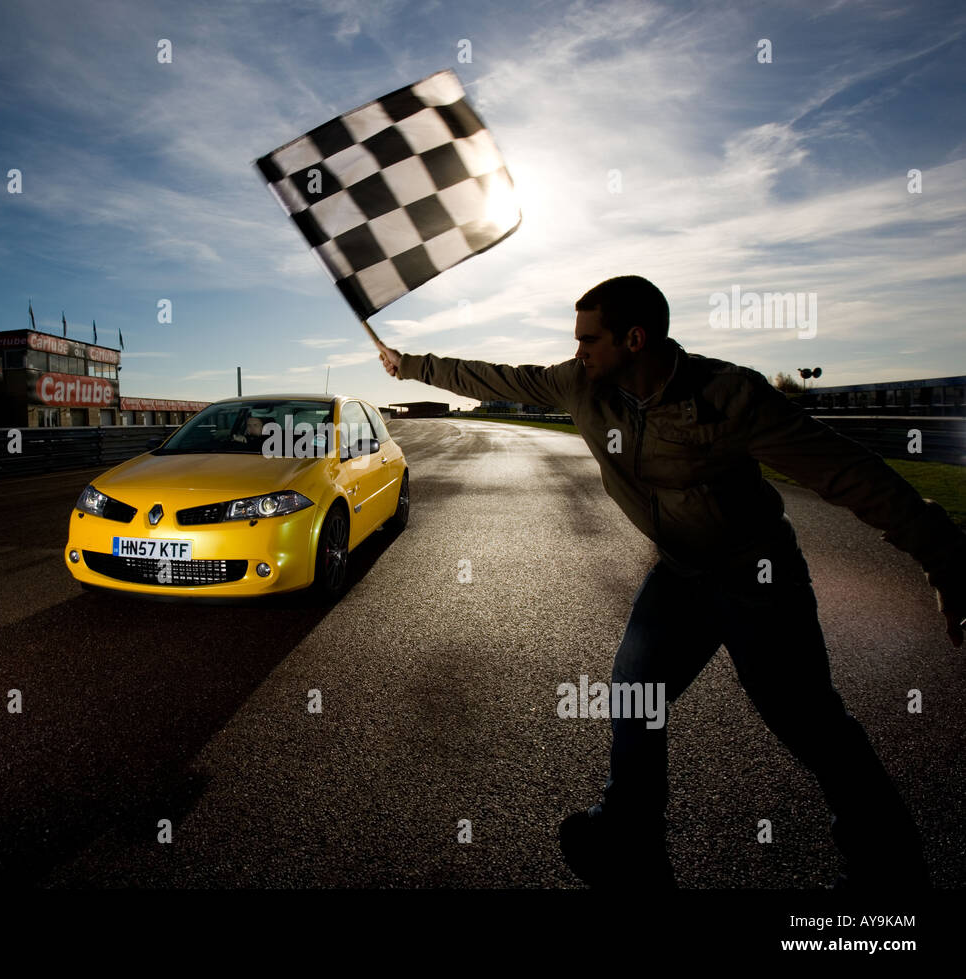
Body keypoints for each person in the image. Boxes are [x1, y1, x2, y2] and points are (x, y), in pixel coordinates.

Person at [374, 274, 966, 889]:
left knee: (805, 716)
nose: (576, 351)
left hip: (756, 575)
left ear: (635, 338)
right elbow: (491, 377)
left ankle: (889, 861)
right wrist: (410, 364)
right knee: (633, 694)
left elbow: (851, 475)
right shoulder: (580, 384)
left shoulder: (729, 395)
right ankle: (631, 839)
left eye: (588, 339)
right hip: (680, 575)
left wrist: (947, 560)